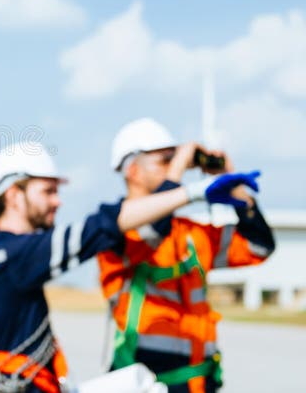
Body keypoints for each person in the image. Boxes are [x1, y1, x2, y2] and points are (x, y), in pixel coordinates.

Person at [0, 140, 260, 393]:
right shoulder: (13, 256)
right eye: (48, 191)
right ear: (13, 195)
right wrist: (193, 192)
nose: (58, 202)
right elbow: (99, 229)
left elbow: (259, 247)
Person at [97, 118, 276, 393]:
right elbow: (150, 230)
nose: (173, 166)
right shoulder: (115, 230)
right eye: (164, 160)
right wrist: (180, 168)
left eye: (174, 160)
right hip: (143, 384)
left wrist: (231, 182)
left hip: (198, 383)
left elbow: (259, 247)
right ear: (132, 170)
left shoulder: (190, 235)